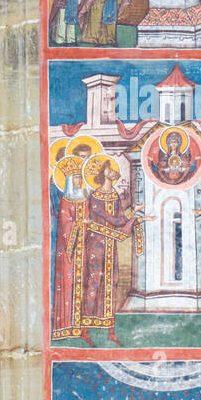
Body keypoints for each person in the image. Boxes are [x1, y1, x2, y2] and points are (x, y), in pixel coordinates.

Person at [77, 157, 140, 346]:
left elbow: (120, 218)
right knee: (94, 283)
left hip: (110, 246)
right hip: (96, 245)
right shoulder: (95, 197)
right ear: (103, 173)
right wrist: (133, 216)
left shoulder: (114, 196)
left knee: (111, 283)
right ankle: (84, 329)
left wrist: (133, 215)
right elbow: (114, 220)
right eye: (109, 169)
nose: (113, 171)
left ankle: (110, 331)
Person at [51, 141, 92, 341]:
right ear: (68, 180)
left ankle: (81, 328)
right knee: (68, 286)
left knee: (83, 286)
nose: (78, 181)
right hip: (69, 253)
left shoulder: (84, 199)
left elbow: (89, 220)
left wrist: (87, 223)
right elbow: (65, 225)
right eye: (75, 178)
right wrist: (79, 223)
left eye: (79, 178)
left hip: (83, 251)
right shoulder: (65, 201)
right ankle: (66, 327)